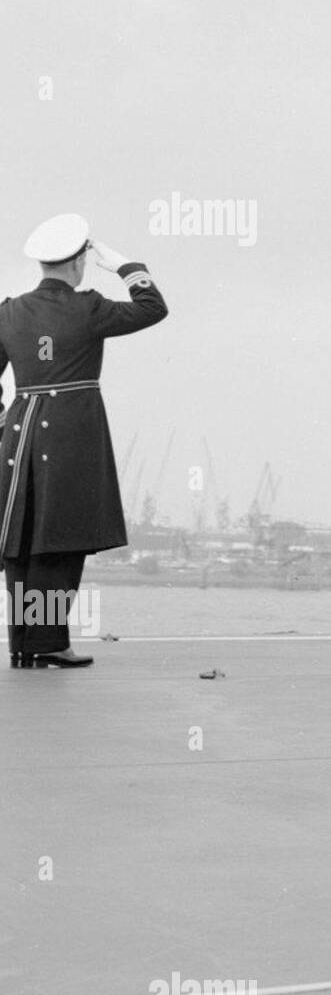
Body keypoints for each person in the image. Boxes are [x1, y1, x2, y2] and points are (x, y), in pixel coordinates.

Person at [1, 215, 168, 668]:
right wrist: (125, 265)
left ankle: (23, 646)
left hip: (17, 438)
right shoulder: (90, 307)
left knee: (18, 543)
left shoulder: (8, 310)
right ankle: (49, 644)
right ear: (78, 263)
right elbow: (153, 307)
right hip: (72, 436)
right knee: (58, 543)